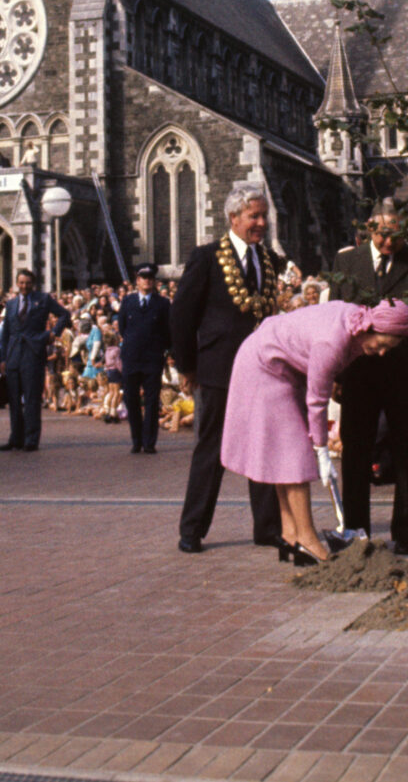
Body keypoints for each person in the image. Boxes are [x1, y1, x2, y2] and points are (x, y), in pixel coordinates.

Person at [222, 298, 408, 564]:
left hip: (283, 367)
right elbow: (317, 401)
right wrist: (322, 450)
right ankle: (308, 540)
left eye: (388, 349)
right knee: (295, 456)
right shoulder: (332, 341)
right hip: (264, 367)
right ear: (371, 327)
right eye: (382, 345)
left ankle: (290, 535)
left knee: (285, 455)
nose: (382, 352)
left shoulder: (357, 324)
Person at [171, 183, 284, 554]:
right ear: (233, 217)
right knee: (212, 448)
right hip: (217, 369)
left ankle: (268, 527)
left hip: (260, 369)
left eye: (264, 216)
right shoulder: (206, 257)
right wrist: (187, 367)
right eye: (254, 216)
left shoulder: (268, 260)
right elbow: (183, 316)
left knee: (263, 446)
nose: (261, 223)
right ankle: (192, 529)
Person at [329, 205, 408, 554]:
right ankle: (356, 531)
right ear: (368, 230)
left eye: (395, 235)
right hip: (359, 373)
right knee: (355, 452)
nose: (387, 242)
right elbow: (335, 318)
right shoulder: (347, 264)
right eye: (381, 235)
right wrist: (336, 371)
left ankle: (407, 533)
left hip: (407, 375)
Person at [0, 268, 70, 451]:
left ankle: (31, 439)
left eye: (27, 283)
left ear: (32, 284)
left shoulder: (42, 299)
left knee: (32, 398)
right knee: (13, 398)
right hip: (13, 355)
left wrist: (52, 333)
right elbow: (6, 332)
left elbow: (64, 314)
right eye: (21, 283)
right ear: (16, 283)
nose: (24, 286)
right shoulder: (10, 304)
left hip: (33, 351)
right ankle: (15, 438)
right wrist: (3, 358)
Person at [116, 264, 171, 454]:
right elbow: (123, 328)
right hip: (131, 358)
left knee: (151, 401)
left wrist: (163, 351)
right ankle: (136, 440)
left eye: (150, 278)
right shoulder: (128, 302)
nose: (147, 281)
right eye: (143, 277)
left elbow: (167, 331)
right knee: (131, 399)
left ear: (154, 281)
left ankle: (149, 443)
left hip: (152, 359)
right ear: (137, 281)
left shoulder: (163, 304)